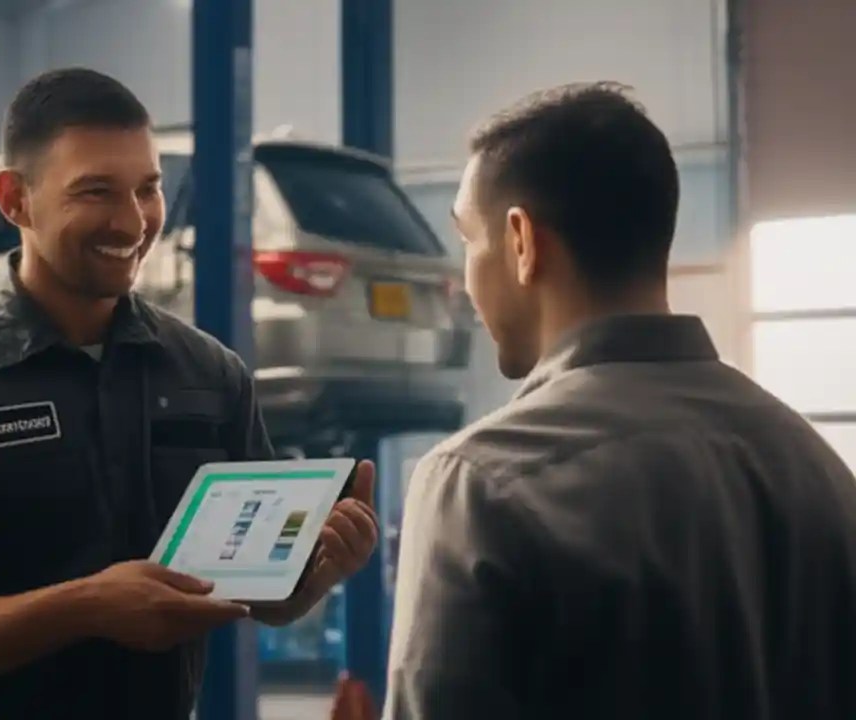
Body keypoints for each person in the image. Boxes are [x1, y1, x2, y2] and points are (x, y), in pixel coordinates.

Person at [0, 67, 379, 720]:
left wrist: (317, 569)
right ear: (16, 200)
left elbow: (256, 596)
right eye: (96, 192)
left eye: (148, 190)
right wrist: (85, 608)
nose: (132, 222)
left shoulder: (208, 375)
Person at [340, 82, 856, 719]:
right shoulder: (816, 468)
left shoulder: (480, 483)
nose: (466, 278)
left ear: (522, 242)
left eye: (469, 241)